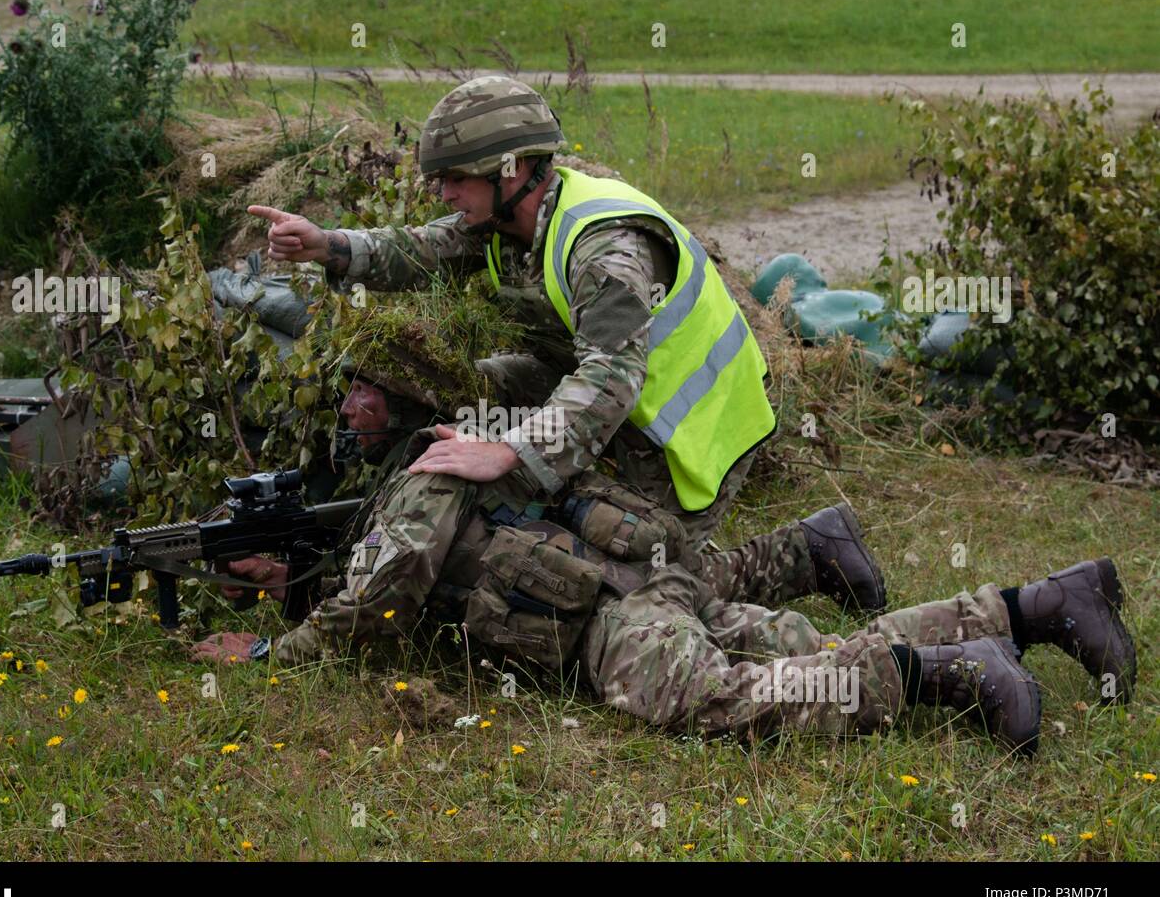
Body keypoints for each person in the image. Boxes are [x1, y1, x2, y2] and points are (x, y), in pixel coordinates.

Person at [189, 362, 1138, 756]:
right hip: (654, 580)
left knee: (717, 700)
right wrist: (298, 581)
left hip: (612, 613)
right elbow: (394, 573)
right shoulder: (457, 446)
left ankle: (942, 676)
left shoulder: (431, 465)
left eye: (362, 394)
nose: (349, 411)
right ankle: (1040, 605)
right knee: (793, 647)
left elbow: (388, 593)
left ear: (400, 401)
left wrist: (279, 653)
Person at [247, 74, 777, 553]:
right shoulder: (510, 218)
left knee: (623, 578)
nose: (444, 192)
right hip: (614, 400)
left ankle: (803, 551)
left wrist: (511, 452)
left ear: (512, 169)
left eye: (456, 177)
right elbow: (425, 249)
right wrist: (329, 245)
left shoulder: (606, 249)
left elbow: (611, 376)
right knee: (461, 386)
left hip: (690, 434)